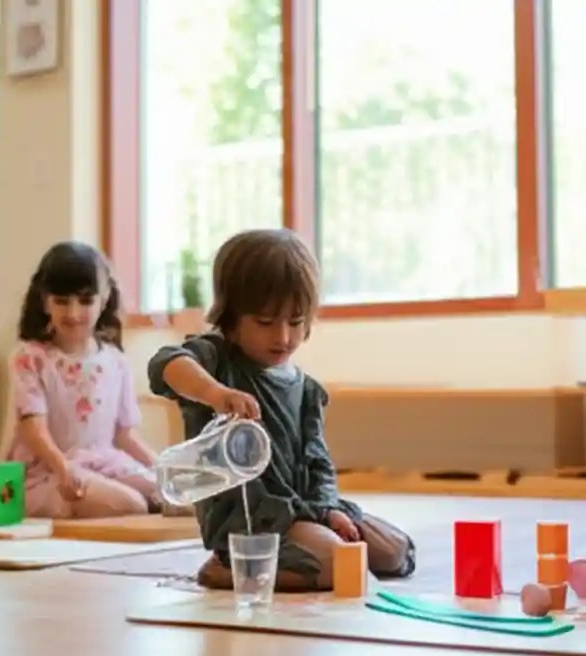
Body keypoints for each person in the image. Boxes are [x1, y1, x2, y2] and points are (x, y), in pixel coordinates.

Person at [147, 228, 416, 591]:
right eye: (265, 322)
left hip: (303, 511)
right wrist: (215, 393)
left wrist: (328, 510)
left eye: (295, 322)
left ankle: (283, 554)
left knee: (397, 553)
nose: (283, 338)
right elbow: (165, 363)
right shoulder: (216, 360)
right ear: (231, 316)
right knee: (342, 568)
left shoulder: (304, 389)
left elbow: (318, 461)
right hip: (252, 518)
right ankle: (230, 568)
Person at [5, 241, 162, 518]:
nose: (73, 313)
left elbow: (124, 435)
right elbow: (33, 430)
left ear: (104, 300)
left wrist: (164, 469)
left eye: (85, 301)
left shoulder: (115, 360)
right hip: (48, 471)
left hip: (104, 463)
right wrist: (62, 468)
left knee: (168, 495)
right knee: (132, 505)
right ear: (44, 301)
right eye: (62, 301)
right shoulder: (30, 358)